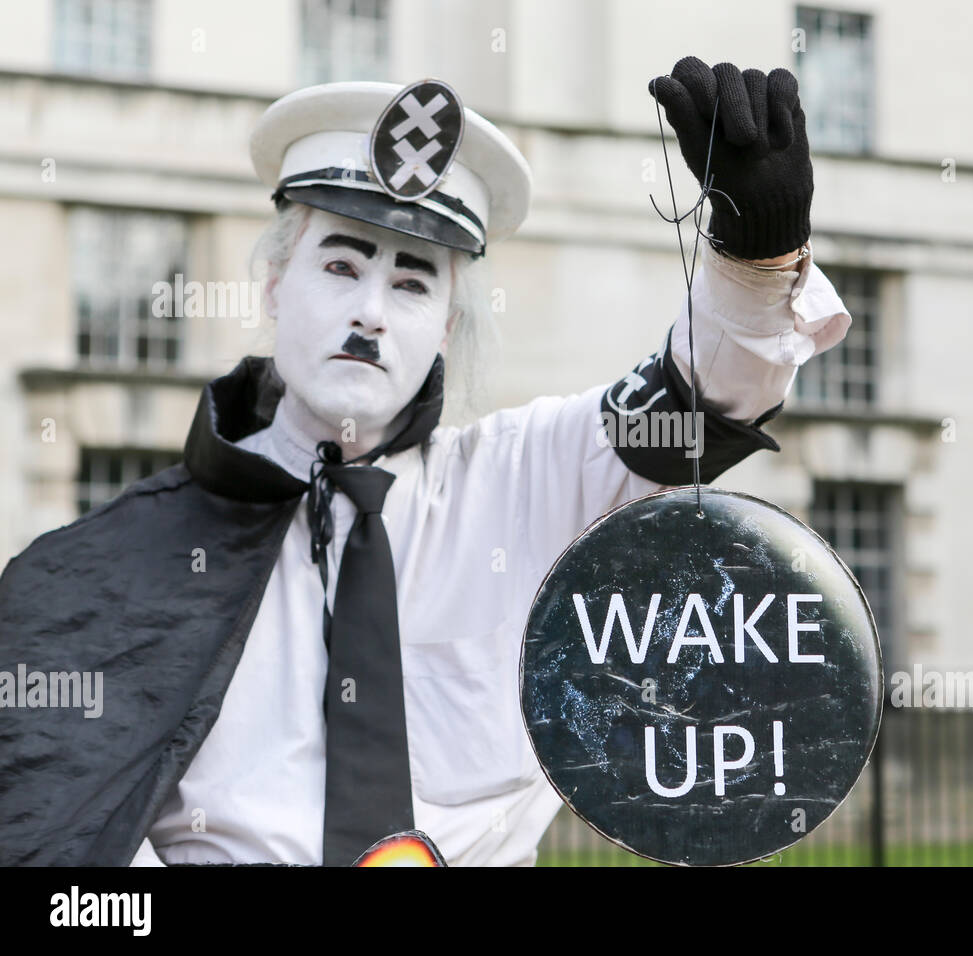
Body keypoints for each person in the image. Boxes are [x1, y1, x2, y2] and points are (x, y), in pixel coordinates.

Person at [0, 57, 851, 866]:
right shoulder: (121, 560)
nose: (371, 311)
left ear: (444, 326)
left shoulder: (522, 481)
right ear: (273, 285)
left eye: (412, 282)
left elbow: (695, 403)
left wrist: (754, 261)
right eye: (340, 264)